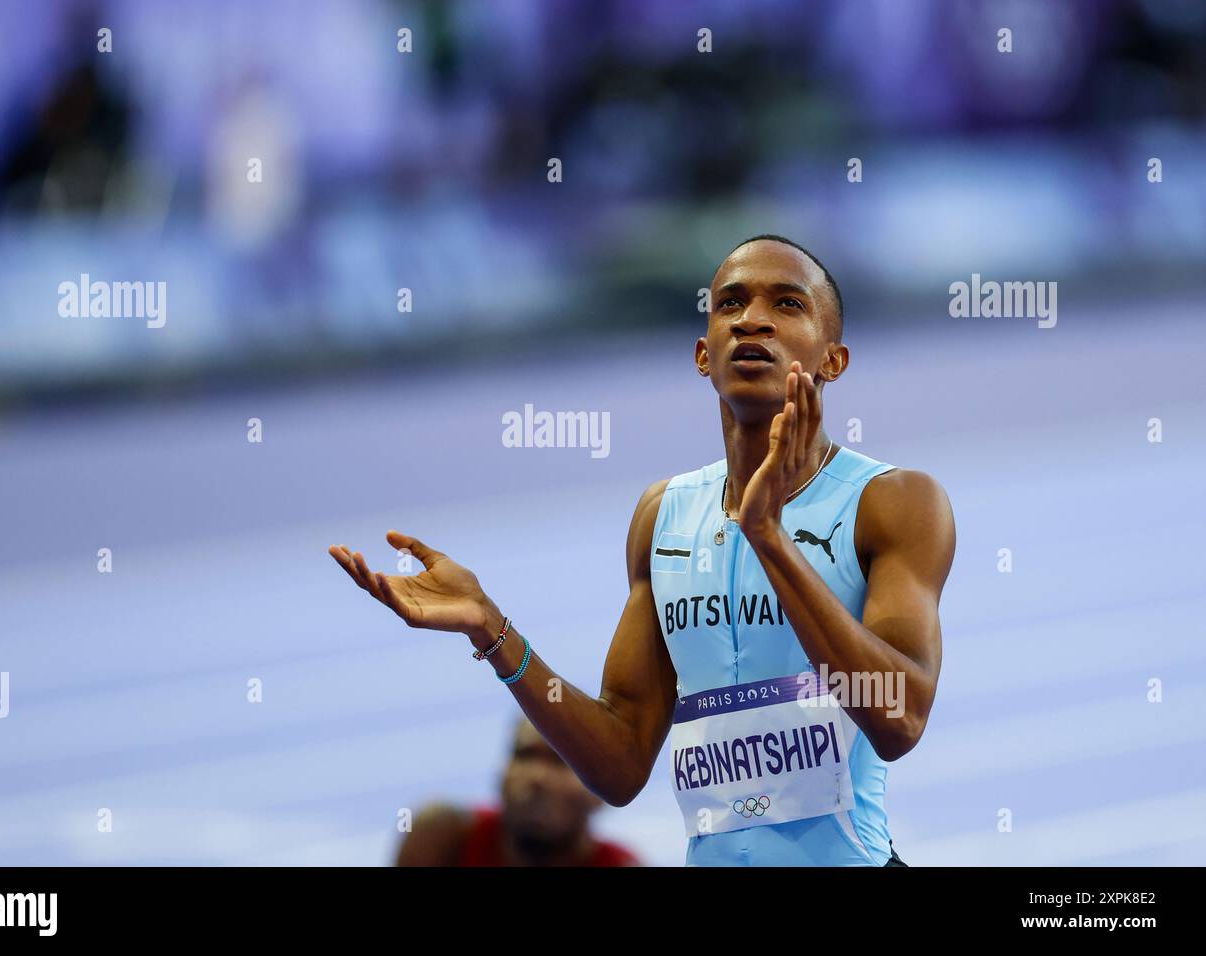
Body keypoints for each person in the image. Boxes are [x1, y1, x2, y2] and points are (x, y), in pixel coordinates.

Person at [332, 235, 956, 866]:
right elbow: (621, 762)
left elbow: (899, 720)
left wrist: (768, 536)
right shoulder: (664, 515)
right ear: (703, 355)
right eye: (730, 303)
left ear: (833, 361)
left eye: (787, 304)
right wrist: (490, 628)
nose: (752, 320)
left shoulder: (894, 502)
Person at [396, 718, 640, 867]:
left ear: (603, 792)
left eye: (562, 761)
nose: (537, 777)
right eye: (524, 755)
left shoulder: (622, 864)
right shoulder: (444, 838)